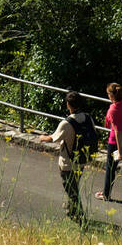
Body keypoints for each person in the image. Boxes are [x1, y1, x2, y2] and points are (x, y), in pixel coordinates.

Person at [38, 91, 97, 222]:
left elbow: (52, 138)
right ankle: (71, 210)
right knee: (74, 186)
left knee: (71, 190)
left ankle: (81, 219)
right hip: (81, 160)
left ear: (68, 105)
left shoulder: (66, 123)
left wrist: (41, 137)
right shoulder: (88, 118)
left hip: (67, 163)